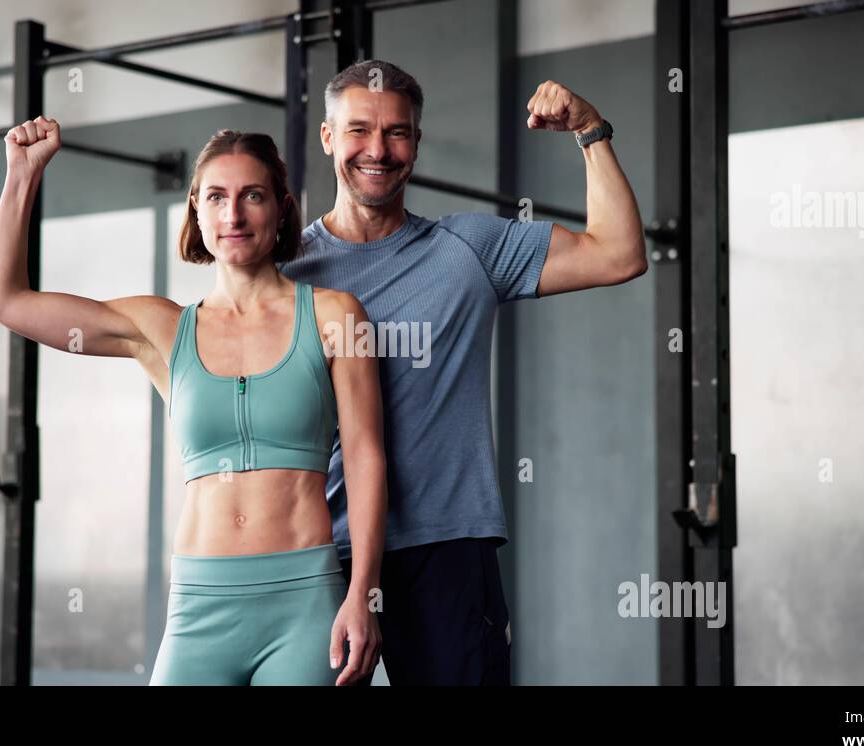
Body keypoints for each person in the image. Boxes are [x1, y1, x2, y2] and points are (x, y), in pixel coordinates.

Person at [0, 118, 386, 685]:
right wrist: (22, 176)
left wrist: (363, 593)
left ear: (282, 208)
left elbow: (366, 458)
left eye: (252, 196)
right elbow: (3, 299)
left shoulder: (336, 316)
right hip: (199, 606)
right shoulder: (160, 328)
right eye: (216, 197)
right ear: (195, 209)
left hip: (304, 600)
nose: (233, 215)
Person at [277, 60, 648, 685]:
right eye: (359, 130)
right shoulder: (288, 272)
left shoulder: (468, 249)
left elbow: (619, 253)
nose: (378, 150)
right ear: (327, 137)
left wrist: (590, 130)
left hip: (448, 547)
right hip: (322, 551)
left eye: (397, 132)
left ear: (416, 143)